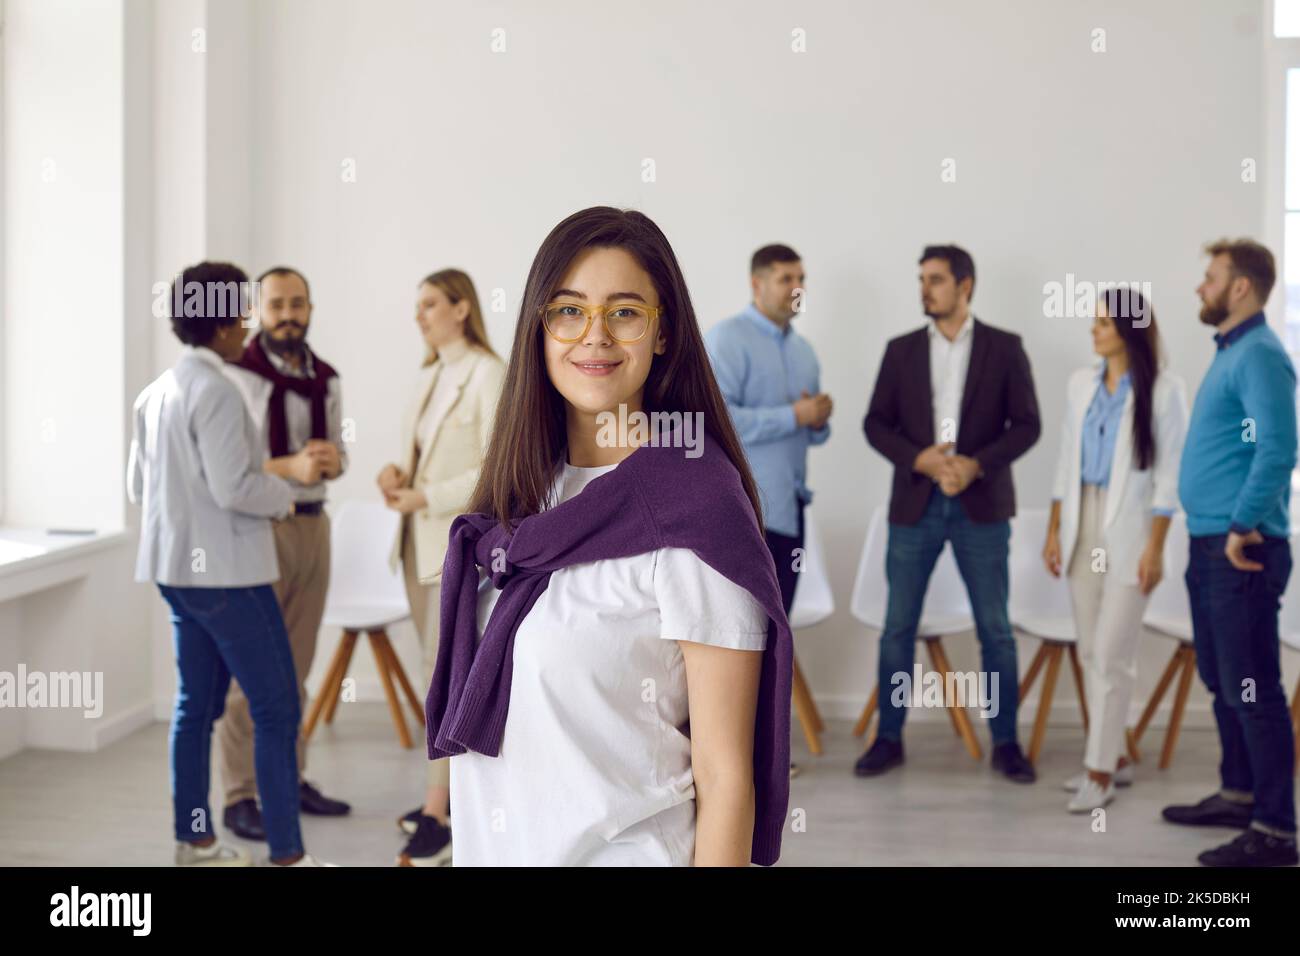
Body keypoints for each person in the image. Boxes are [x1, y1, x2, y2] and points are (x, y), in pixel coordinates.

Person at [424, 206, 794, 866]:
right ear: (540, 329)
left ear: (661, 333)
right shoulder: (520, 500)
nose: (593, 336)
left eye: (624, 312)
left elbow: (726, 776)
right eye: (568, 311)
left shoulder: (696, 508)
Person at [128, 260, 331, 867]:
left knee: (196, 706)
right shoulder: (216, 390)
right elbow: (235, 488)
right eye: (242, 311)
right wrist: (289, 493)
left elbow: (140, 488)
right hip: (227, 577)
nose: (247, 324)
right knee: (276, 708)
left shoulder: (155, 391)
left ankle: (194, 841)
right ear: (220, 323)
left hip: (173, 574)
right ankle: (290, 856)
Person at [858, 244, 1041, 782]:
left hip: (981, 506)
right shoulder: (901, 350)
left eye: (935, 280)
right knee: (897, 629)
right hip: (915, 503)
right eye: (921, 279)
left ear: (966, 286)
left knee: (997, 630)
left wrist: (976, 466)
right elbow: (874, 423)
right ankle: (888, 737)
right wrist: (918, 458)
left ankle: (1005, 742)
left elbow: (1027, 425)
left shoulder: (1006, 348)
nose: (925, 289)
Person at [1163, 239, 1298, 867]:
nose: (1200, 287)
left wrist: (1243, 524)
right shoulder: (1233, 351)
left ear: (1240, 287)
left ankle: (1274, 831)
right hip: (1212, 544)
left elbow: (1278, 449)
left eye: (1210, 277)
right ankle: (1239, 792)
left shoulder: (1261, 356)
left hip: (1241, 547)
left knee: (1253, 688)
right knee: (1222, 678)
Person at [377, 269, 505, 866]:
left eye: (429, 303)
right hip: (413, 543)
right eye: (417, 304)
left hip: (452, 546)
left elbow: (496, 470)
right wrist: (395, 476)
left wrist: (425, 498)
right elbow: (420, 456)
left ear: (461, 308)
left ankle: (439, 816)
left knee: (442, 677)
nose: (419, 315)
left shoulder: (488, 374)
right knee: (435, 670)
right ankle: (445, 801)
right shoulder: (430, 376)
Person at [1043, 287, 1187, 812]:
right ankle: (1118, 755)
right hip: (1084, 521)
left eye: (1103, 323)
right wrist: (1055, 529)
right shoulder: (1081, 384)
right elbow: (1065, 459)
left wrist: (1155, 546)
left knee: (1111, 655)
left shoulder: (1165, 390)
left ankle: (1098, 772)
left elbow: (1170, 476)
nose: (1093, 330)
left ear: (1128, 331)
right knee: (1088, 651)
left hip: (1130, 532)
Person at [219, 266, 351, 841]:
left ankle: (288, 780)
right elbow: (229, 471)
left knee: (296, 668)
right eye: (276, 305)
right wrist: (291, 467)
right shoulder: (234, 379)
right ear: (258, 312)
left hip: (313, 527)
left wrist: (329, 462)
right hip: (256, 528)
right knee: (248, 673)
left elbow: (341, 456)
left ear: (310, 308)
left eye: (298, 304)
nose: (288, 315)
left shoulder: (327, 378)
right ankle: (238, 794)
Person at [704, 245, 831, 778]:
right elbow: (719, 417)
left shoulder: (805, 351)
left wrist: (818, 418)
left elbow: (813, 431)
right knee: (737, 636)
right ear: (757, 284)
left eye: (801, 277)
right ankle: (731, 759)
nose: (795, 286)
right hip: (744, 513)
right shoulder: (727, 339)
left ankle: (766, 755)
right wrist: (793, 414)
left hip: (791, 509)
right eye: (785, 278)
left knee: (776, 637)